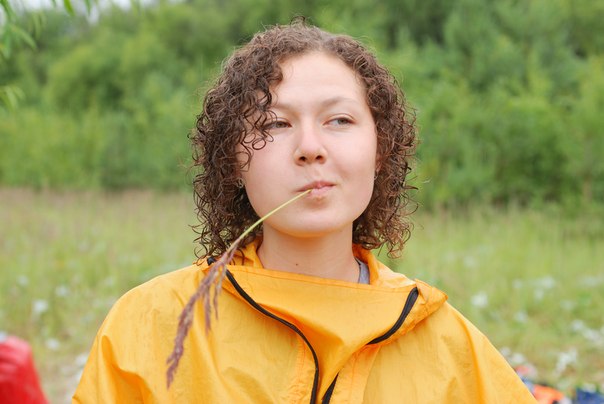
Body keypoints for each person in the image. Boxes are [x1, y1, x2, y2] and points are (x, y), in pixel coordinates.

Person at [73, 20, 536, 403]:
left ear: (380, 150)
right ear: (232, 160)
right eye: (275, 123)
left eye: (339, 120)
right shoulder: (151, 324)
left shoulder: (450, 346)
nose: (310, 147)